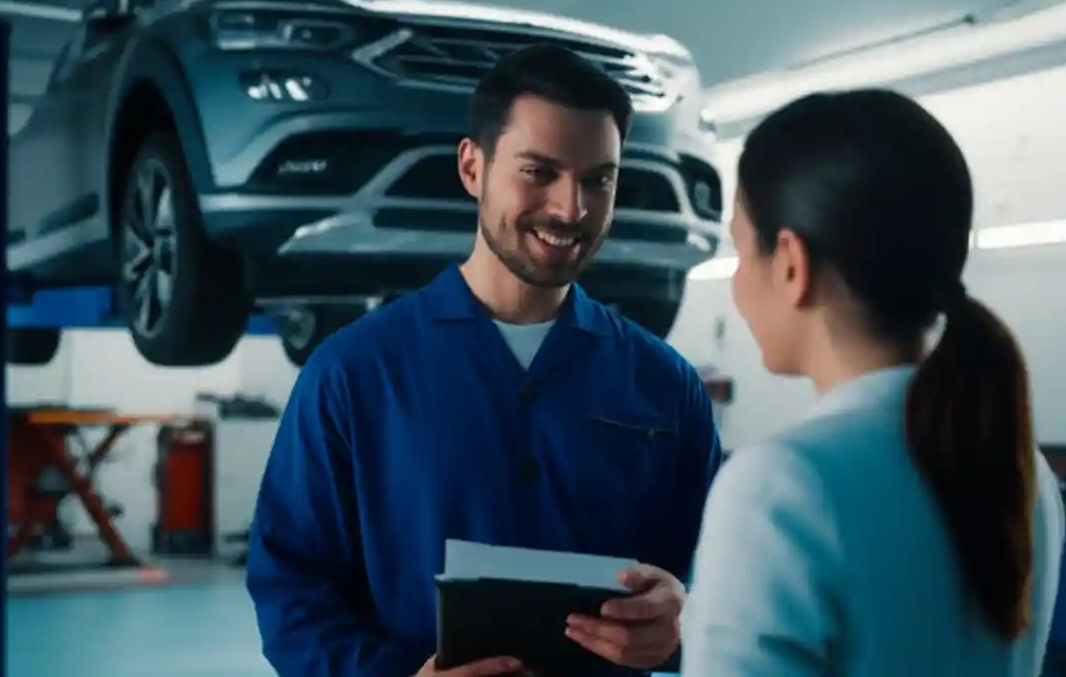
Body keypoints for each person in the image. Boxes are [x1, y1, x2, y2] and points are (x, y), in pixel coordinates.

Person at [245, 44, 723, 677]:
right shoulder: (352, 375)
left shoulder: (665, 384)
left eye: (598, 180)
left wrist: (681, 621)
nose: (571, 209)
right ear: (473, 167)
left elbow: (718, 572)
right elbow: (292, 589)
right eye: (539, 172)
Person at [680, 89, 1066, 676]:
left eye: (740, 249)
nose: (737, 282)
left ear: (791, 263)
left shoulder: (779, 484)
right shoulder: (1020, 471)